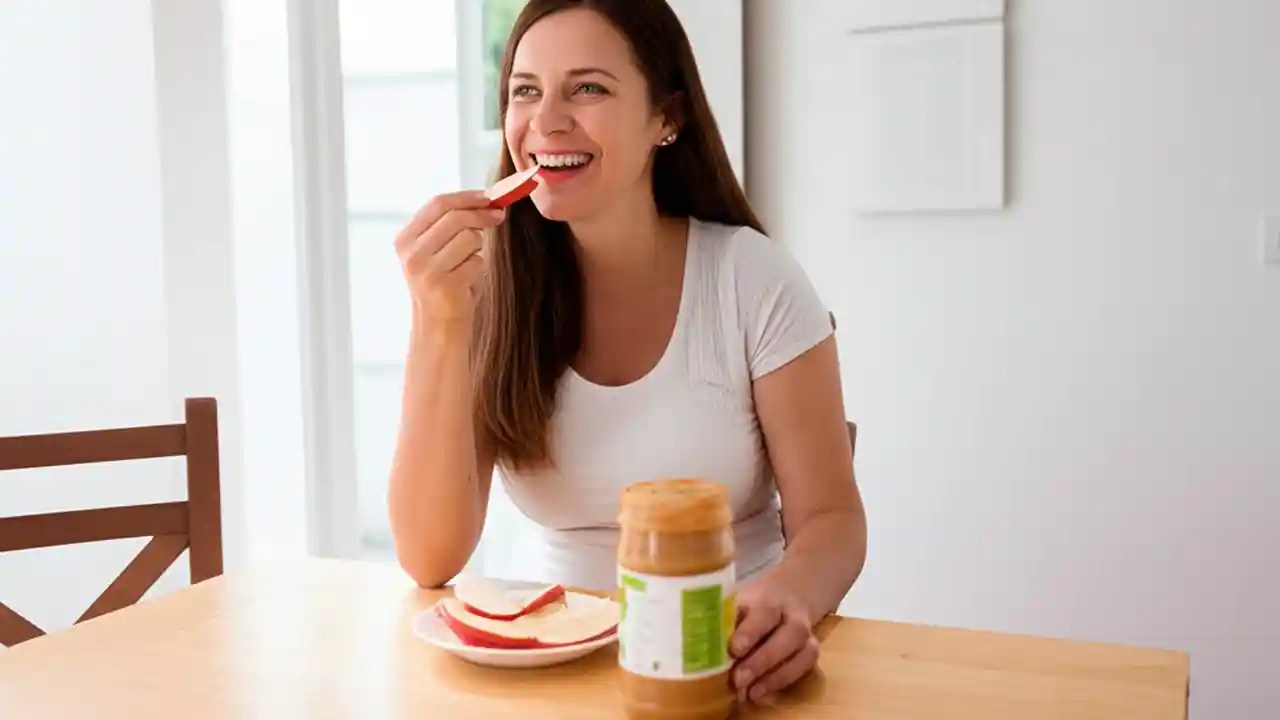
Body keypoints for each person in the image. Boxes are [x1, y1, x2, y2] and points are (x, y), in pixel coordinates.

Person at [389, 0, 866, 704]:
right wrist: (438, 321)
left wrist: (790, 599)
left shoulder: (752, 279)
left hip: (725, 662)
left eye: (588, 88)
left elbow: (831, 518)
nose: (546, 121)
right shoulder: (481, 290)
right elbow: (429, 558)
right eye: (526, 90)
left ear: (665, 118)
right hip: (553, 672)